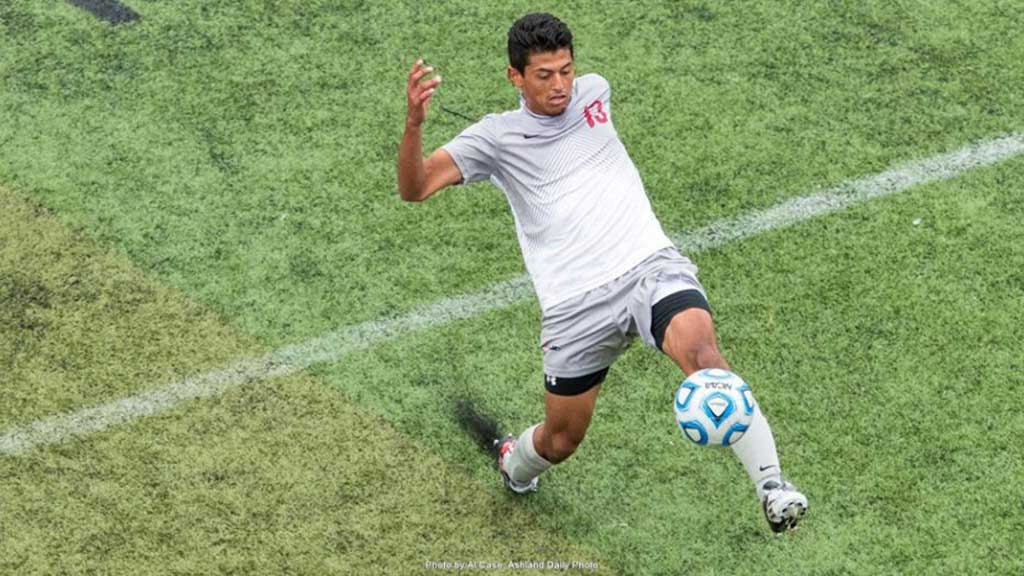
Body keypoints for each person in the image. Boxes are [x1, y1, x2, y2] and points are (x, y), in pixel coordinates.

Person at [397, 12, 808, 532]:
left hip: (646, 268)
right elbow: (414, 188)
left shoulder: (595, 93)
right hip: (574, 305)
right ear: (514, 77)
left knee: (703, 352)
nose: (560, 86)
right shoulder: (494, 140)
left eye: (566, 70)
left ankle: (773, 486)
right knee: (561, 439)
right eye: (543, 75)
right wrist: (414, 125)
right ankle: (513, 464)